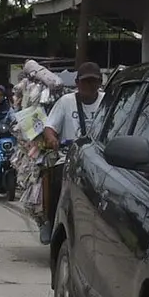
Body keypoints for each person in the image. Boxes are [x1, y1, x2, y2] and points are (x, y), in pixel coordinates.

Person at [35, 62, 106, 242]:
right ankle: (49, 222)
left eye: (93, 81)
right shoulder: (66, 102)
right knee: (57, 180)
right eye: (85, 81)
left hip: (101, 160)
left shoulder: (108, 102)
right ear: (77, 83)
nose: (89, 86)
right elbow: (49, 127)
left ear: (100, 82)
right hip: (69, 157)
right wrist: (52, 139)